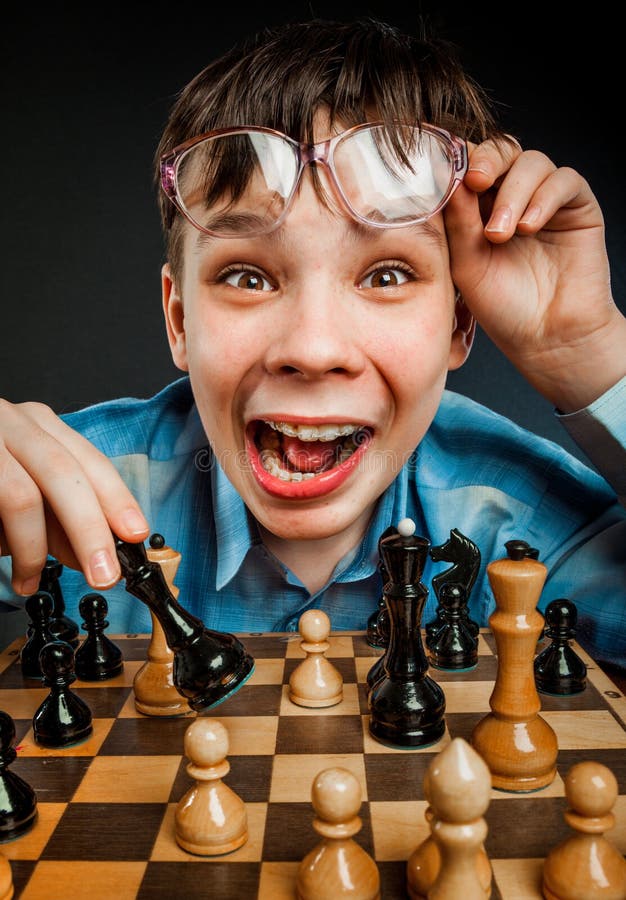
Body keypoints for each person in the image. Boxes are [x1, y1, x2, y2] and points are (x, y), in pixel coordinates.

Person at [1, 18, 625, 669]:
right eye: (247, 277)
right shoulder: (71, 491)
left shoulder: (513, 512)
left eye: (386, 274)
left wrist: (591, 354)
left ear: (458, 324)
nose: (314, 346)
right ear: (180, 321)